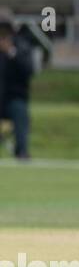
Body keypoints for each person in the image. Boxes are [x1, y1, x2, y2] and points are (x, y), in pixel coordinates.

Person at [0, 10, 34, 160]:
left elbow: (28, 70)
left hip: (14, 98)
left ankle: (21, 151)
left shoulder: (21, 46)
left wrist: (11, 52)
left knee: (20, 113)